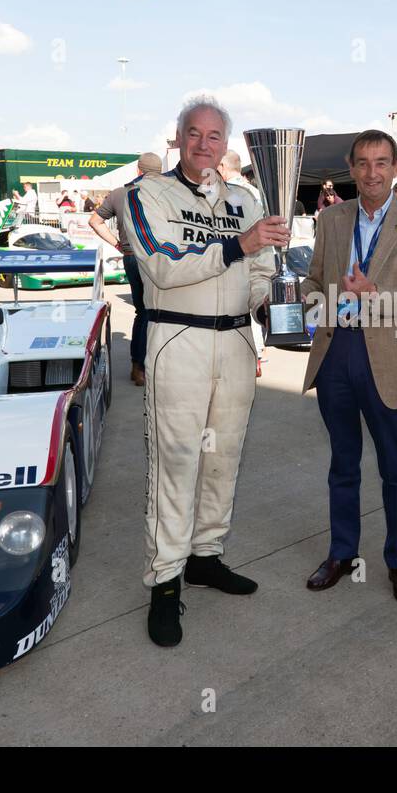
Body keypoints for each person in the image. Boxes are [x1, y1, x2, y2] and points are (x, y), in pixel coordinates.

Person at [118, 95, 287, 648]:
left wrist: (271, 300)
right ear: (178, 138)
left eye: (215, 136)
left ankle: (206, 556)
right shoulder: (145, 194)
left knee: (224, 456)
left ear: (226, 144)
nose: (204, 144)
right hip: (179, 337)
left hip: (236, 340)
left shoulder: (246, 198)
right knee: (177, 462)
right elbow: (162, 266)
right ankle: (165, 582)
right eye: (195, 133)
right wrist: (238, 245)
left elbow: (262, 268)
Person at [299, 130, 397, 604]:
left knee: (394, 468)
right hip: (337, 353)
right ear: (351, 168)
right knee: (343, 463)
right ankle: (342, 553)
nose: (372, 172)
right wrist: (299, 297)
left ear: (394, 168)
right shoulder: (332, 219)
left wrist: (374, 297)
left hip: (388, 357)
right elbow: (316, 279)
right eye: (363, 163)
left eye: (382, 163)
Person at [91, 152, 163, 386]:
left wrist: (116, 243)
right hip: (162, 258)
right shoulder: (167, 193)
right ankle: (159, 364)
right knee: (163, 312)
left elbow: (94, 221)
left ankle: (138, 367)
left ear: (138, 171)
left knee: (142, 311)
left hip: (132, 257)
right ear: (159, 171)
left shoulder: (120, 193)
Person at [218, 149, 268, 375]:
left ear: (222, 167)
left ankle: (254, 355)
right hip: (255, 258)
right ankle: (257, 353)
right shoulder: (255, 191)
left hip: (239, 260)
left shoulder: (235, 194)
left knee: (247, 306)